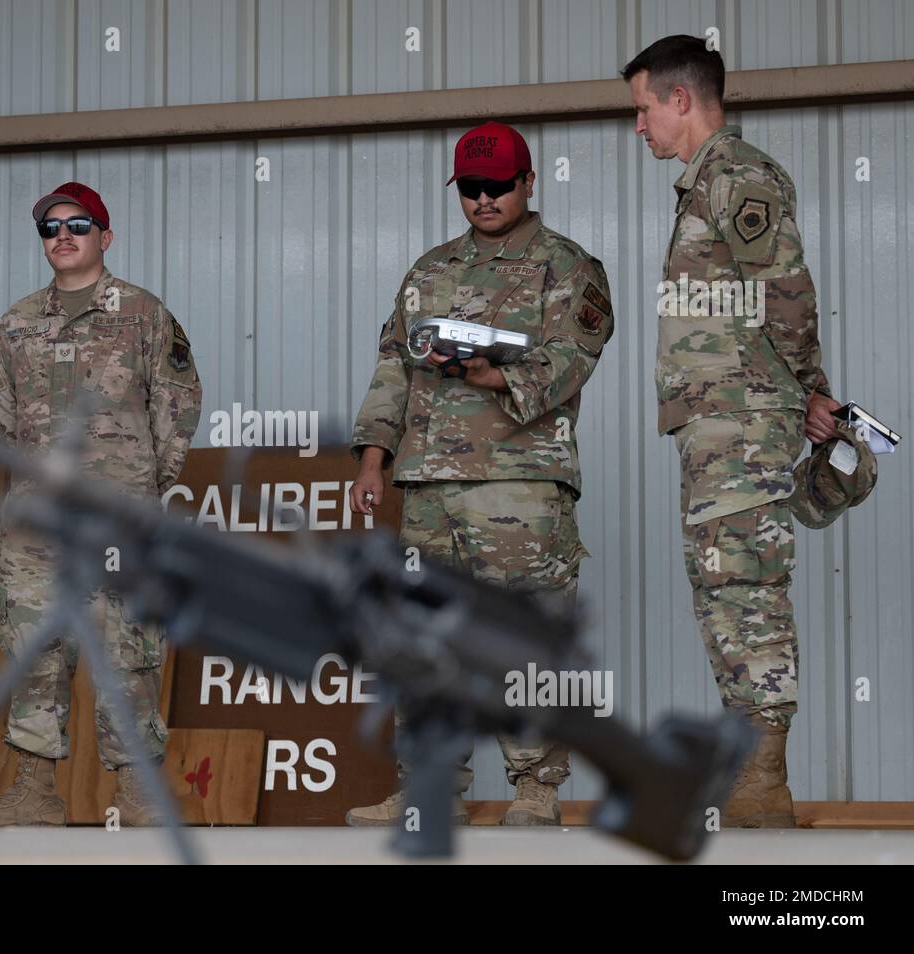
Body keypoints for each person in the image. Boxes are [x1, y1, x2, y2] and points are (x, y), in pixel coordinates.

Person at [345, 122, 614, 828]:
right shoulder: (429, 272)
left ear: (530, 183)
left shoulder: (568, 266)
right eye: (471, 187)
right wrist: (374, 456)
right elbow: (392, 368)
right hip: (429, 481)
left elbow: (571, 358)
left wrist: (493, 373)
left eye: (498, 185)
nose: (485, 198)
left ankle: (534, 790)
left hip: (520, 480)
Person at [623, 35, 839, 827]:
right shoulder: (706, 183)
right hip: (718, 427)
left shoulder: (738, 179)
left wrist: (810, 390)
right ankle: (753, 773)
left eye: (643, 109)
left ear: (681, 99)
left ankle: (764, 780)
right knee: (724, 586)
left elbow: (785, 291)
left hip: (744, 424)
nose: (638, 126)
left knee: (746, 587)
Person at [0, 182, 202, 827]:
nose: (63, 236)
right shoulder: (15, 324)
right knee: (32, 650)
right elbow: (7, 421)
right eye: (50, 227)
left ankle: (140, 794)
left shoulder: (142, 313)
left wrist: (140, 488)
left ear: (105, 235)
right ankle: (35, 793)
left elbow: (177, 408)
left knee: (128, 649)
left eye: (79, 224)